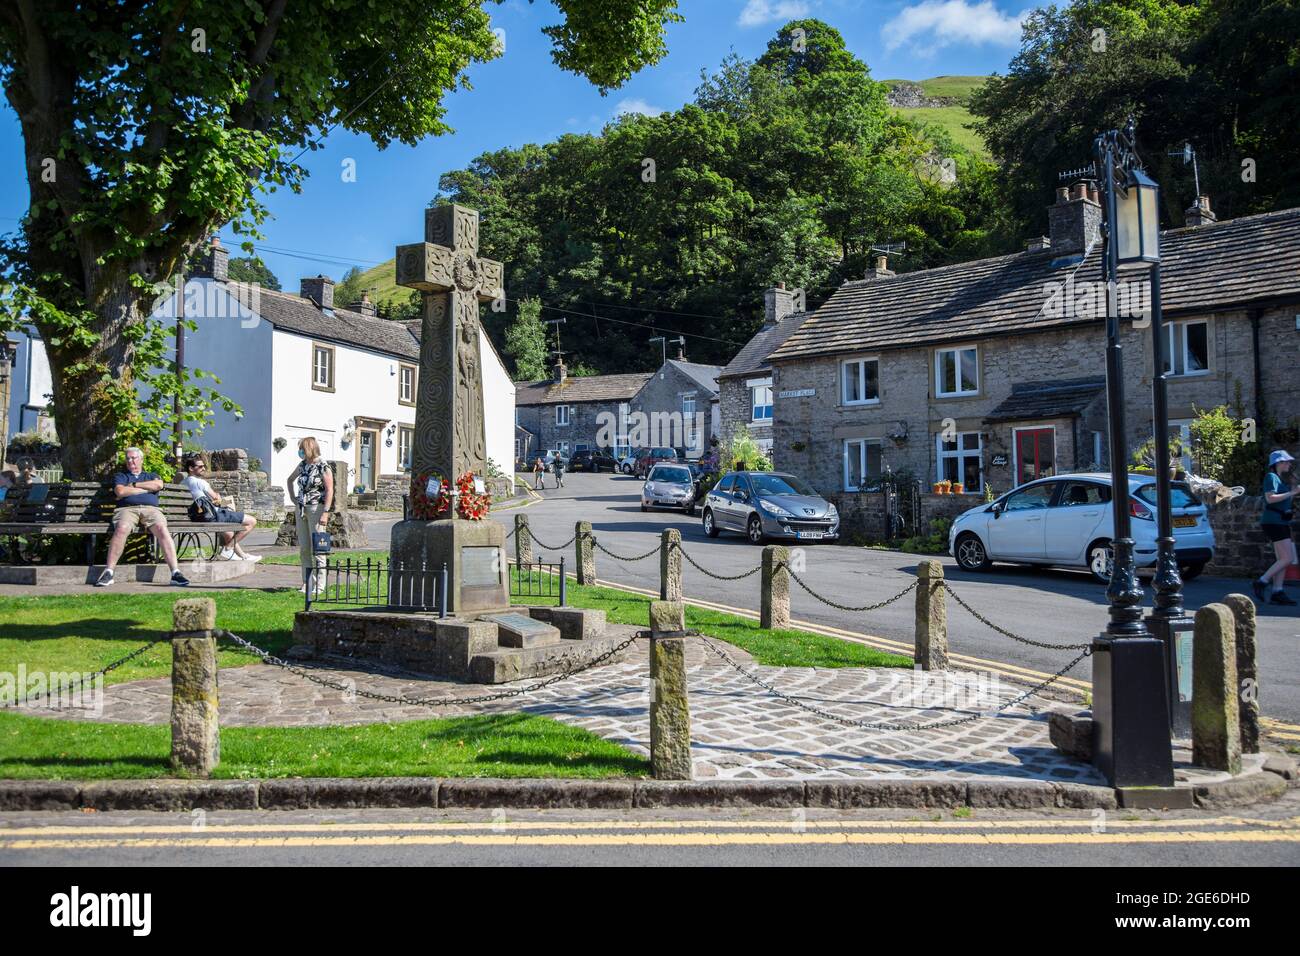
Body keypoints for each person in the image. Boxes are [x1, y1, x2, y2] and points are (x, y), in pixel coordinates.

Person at [95, 446, 189, 587]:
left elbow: (158, 485)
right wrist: (145, 489)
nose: (130, 461)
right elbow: (120, 491)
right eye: (128, 458)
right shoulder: (121, 476)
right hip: (127, 509)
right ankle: (109, 572)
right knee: (122, 528)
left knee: (161, 528)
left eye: (133, 458)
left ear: (141, 459)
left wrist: (133, 485)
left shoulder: (151, 475)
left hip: (151, 510)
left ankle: (175, 573)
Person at [180, 454, 261, 562]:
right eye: (200, 467)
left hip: (196, 517)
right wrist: (221, 500)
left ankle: (242, 555)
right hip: (211, 516)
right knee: (252, 521)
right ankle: (228, 549)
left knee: (228, 531)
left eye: (204, 466)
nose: (203, 468)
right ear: (191, 468)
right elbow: (216, 498)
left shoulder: (183, 483)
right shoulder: (200, 482)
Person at [286, 437, 333, 594]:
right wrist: (293, 498)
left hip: (316, 508)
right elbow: (290, 480)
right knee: (305, 548)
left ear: (309, 448)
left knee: (318, 548)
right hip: (301, 509)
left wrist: (325, 512)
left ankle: (320, 585)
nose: (300, 452)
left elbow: (329, 490)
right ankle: (307, 583)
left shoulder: (323, 466)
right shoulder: (303, 465)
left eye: (302, 448)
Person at [1254, 449, 1298, 607]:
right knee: (1288, 558)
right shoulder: (1271, 477)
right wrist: (1292, 492)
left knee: (1282, 559)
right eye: (1286, 461)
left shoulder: (1279, 478)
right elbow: (1270, 498)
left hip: (1279, 521)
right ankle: (1262, 581)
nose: (1289, 464)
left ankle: (1277, 591)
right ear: (1278, 463)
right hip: (1274, 522)